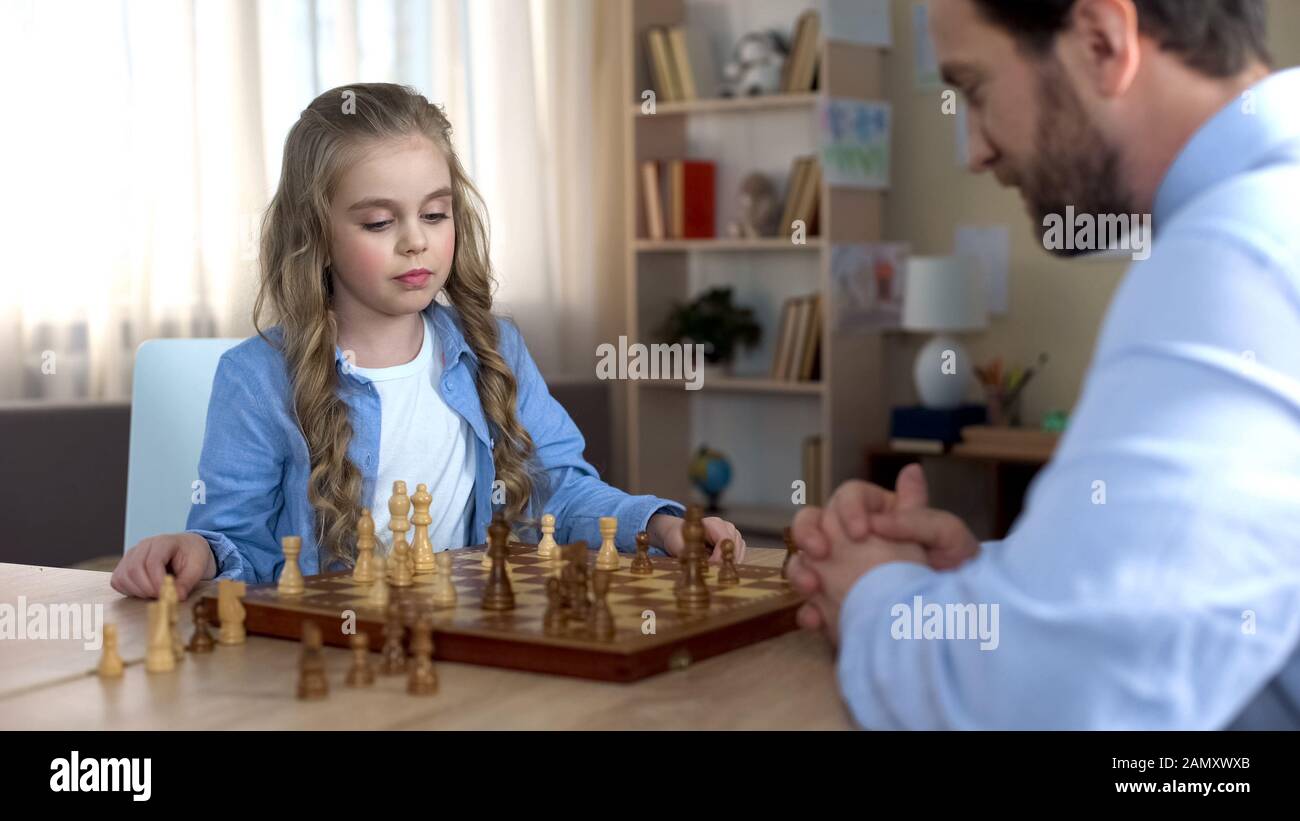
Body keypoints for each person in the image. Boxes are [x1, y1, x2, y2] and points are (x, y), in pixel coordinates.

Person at [791, 0, 1300, 729]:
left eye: (974, 88)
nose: (974, 151)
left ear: (1101, 39)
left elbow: (1057, 700)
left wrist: (877, 595)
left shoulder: (1236, 260)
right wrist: (999, 586)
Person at [112, 83, 746, 600]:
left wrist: (659, 524)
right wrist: (195, 551)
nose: (414, 241)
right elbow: (237, 545)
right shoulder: (256, 379)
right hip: (329, 652)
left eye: (435, 215)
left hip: (457, 635)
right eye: (380, 222)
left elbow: (561, 488)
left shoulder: (495, 348)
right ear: (315, 233)